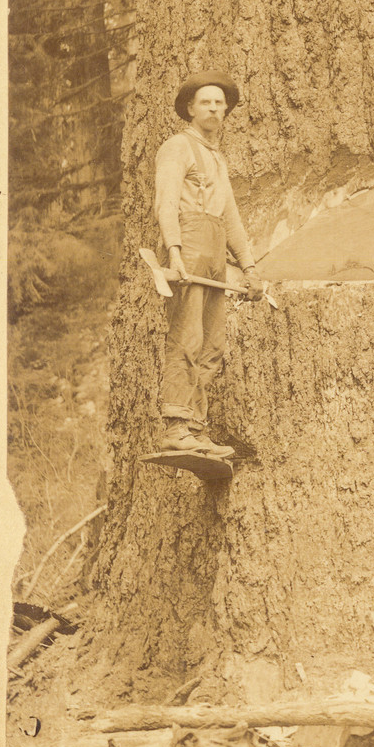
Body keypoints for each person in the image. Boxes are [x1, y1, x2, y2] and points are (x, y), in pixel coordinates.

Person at [154, 71, 268, 458]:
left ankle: (196, 429)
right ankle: (175, 426)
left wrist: (250, 268)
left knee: (212, 344)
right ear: (190, 109)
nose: (215, 108)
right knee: (187, 337)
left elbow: (231, 217)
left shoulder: (217, 159)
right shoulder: (177, 146)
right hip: (189, 242)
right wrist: (174, 250)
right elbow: (166, 201)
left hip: (216, 248)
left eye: (220, 103)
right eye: (206, 101)